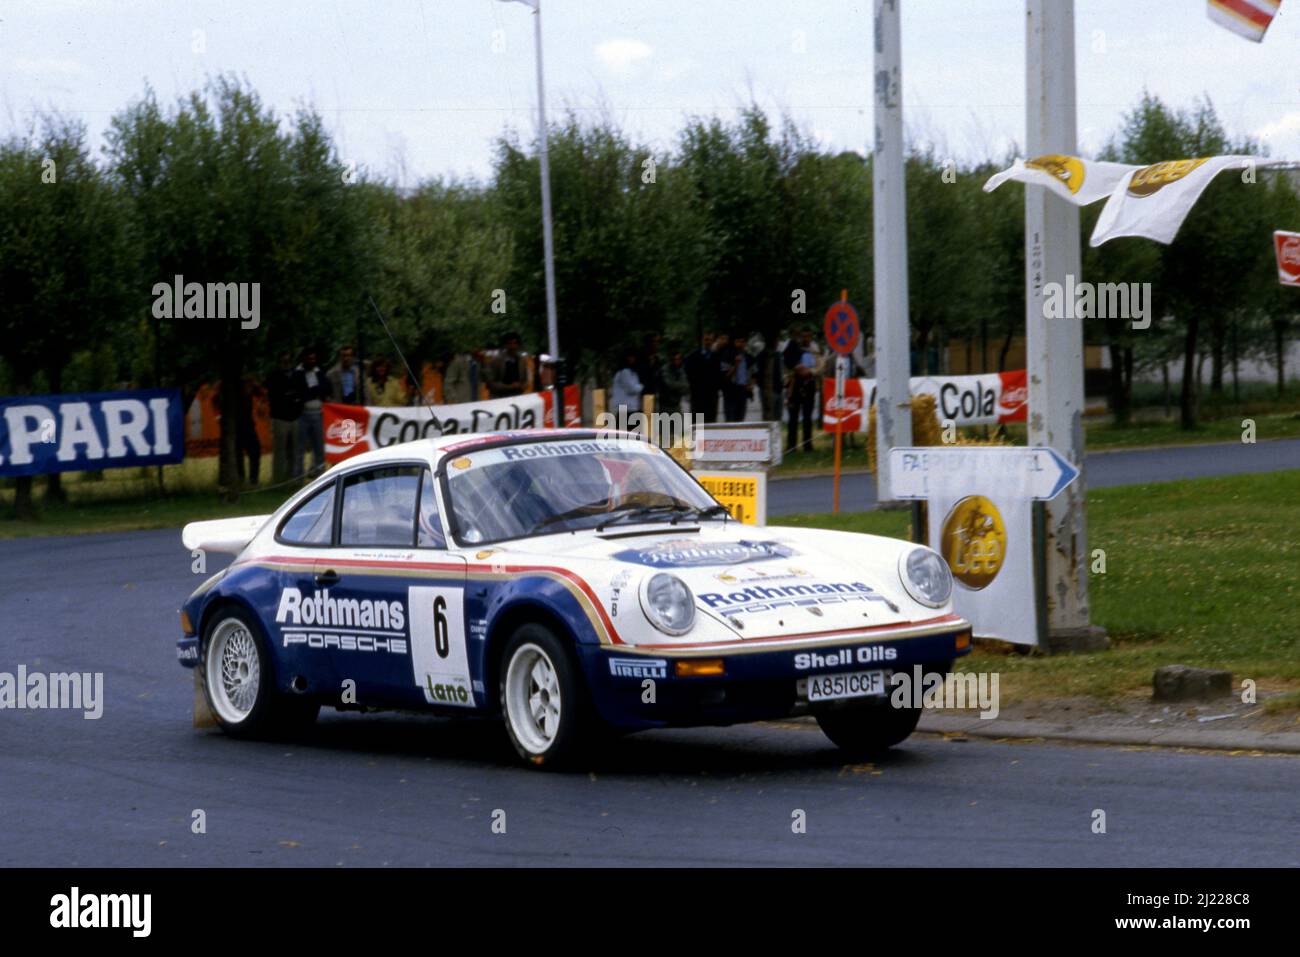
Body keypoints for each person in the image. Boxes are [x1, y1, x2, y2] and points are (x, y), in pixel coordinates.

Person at [294, 347, 330, 478]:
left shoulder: (319, 372)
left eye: (313, 358)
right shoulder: (297, 373)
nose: (312, 360)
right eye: (309, 358)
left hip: (318, 413)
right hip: (303, 414)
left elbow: (325, 388)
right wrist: (313, 391)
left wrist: (312, 391)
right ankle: (298, 476)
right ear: (304, 359)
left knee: (319, 447)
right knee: (300, 448)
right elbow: (301, 392)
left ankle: (319, 474)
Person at [266, 351, 301, 484]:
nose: (286, 364)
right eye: (284, 361)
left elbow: (302, 392)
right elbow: (272, 395)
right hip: (279, 417)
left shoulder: (297, 375)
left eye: (288, 361)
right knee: (279, 452)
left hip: (295, 417)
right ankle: (278, 480)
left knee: (294, 451)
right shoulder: (274, 376)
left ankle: (294, 480)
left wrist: (295, 400)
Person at [786, 329, 819, 453]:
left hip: (809, 385)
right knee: (793, 418)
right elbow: (787, 366)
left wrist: (810, 371)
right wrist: (795, 369)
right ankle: (791, 446)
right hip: (795, 385)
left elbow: (820, 366)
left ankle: (807, 445)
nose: (805, 339)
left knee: (807, 418)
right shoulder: (791, 349)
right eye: (802, 336)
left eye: (807, 336)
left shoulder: (814, 350)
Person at [684, 332, 720, 423]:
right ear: (702, 341)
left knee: (711, 422)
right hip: (698, 395)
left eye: (710, 340)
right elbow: (688, 374)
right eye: (706, 340)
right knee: (698, 423)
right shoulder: (692, 357)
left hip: (712, 396)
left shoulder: (716, 356)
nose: (708, 342)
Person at [720, 333, 753, 422]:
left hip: (742, 390)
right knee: (730, 419)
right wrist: (735, 365)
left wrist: (750, 385)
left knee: (740, 418)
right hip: (731, 390)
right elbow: (725, 375)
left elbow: (751, 373)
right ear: (734, 342)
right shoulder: (727, 354)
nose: (740, 344)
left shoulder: (747, 356)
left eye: (743, 342)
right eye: (738, 341)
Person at [485, 332, 527, 397]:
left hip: (517, 397)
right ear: (505, 345)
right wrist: (508, 386)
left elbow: (525, 380)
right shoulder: (496, 361)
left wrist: (522, 385)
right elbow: (490, 383)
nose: (513, 346)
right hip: (500, 398)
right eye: (510, 343)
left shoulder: (521, 361)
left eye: (515, 343)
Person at [610, 351, 643, 421]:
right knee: (625, 430)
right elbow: (631, 389)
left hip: (630, 407)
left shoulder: (632, 372)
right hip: (626, 407)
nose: (632, 359)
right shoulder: (625, 372)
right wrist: (642, 386)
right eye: (630, 357)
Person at [659, 350, 688, 414]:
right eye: (675, 359)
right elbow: (669, 384)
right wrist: (680, 386)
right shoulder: (665, 369)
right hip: (665, 405)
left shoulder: (680, 370)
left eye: (678, 359)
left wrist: (677, 386)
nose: (677, 361)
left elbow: (686, 386)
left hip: (676, 404)